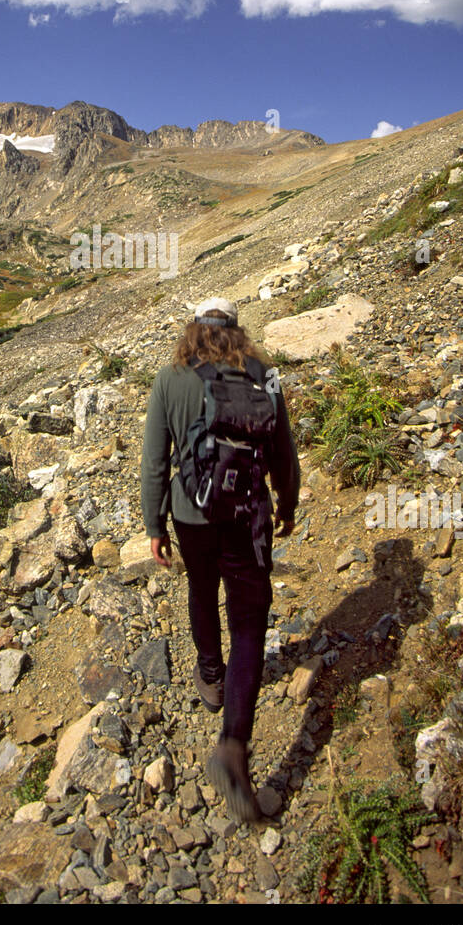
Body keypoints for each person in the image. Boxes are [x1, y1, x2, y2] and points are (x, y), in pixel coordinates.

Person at [140, 296, 300, 823]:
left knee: (200, 589)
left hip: (192, 513)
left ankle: (210, 672)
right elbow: (283, 451)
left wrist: (154, 525)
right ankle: (233, 743)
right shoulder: (264, 375)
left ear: (192, 330)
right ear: (236, 331)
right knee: (250, 621)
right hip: (247, 513)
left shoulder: (169, 379)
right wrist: (287, 502)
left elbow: (154, 460)